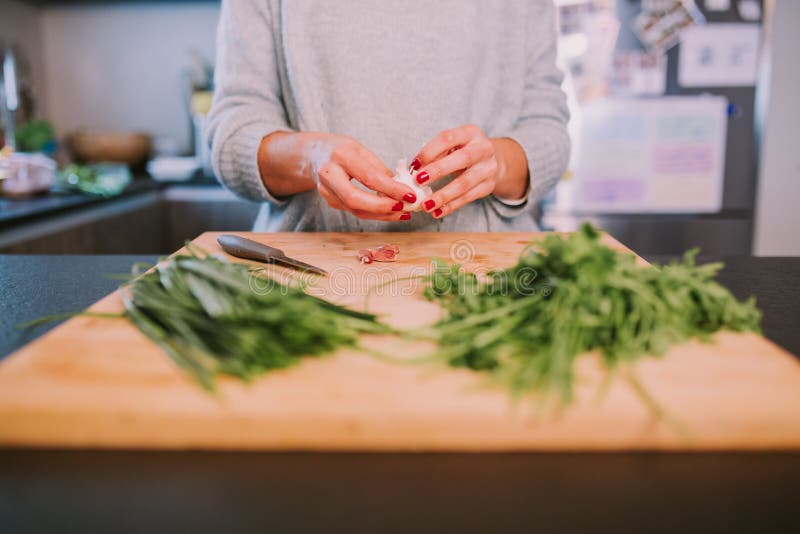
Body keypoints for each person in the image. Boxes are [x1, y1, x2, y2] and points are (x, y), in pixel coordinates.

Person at [206, 0, 569, 232]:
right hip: (309, 275)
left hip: (490, 276)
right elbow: (231, 136)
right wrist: (311, 158)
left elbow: (547, 128)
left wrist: (498, 165)